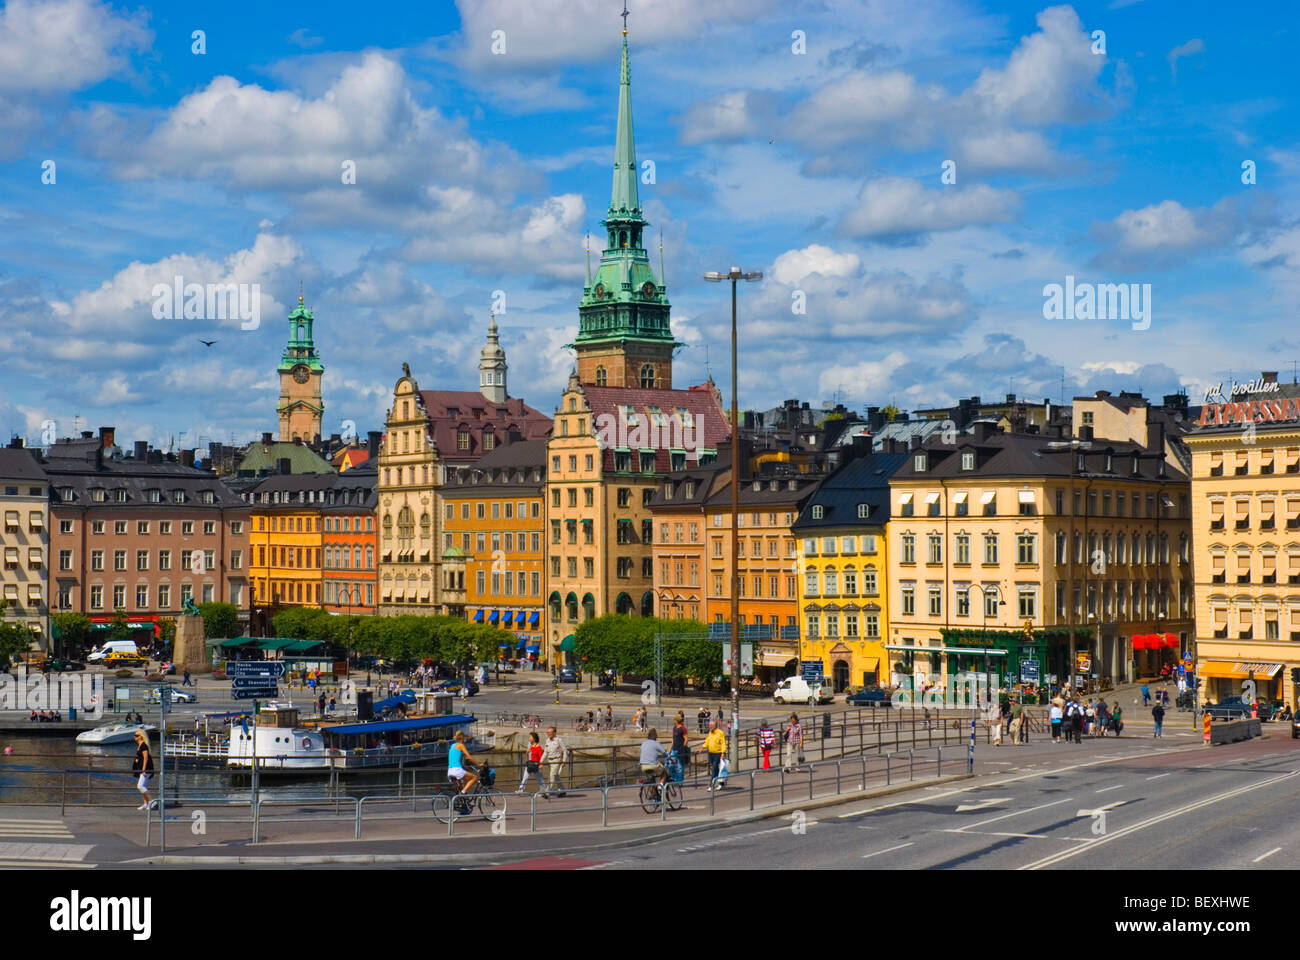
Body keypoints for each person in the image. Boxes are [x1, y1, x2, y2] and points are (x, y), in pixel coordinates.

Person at [447, 730, 479, 795]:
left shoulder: (452, 745)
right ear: (462, 738)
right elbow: (469, 757)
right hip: (457, 770)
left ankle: (463, 801)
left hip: (450, 771)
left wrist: (464, 767)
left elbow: (454, 759)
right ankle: (463, 793)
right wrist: (478, 764)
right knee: (474, 777)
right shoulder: (461, 745)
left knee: (461, 786)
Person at [699, 719, 727, 789]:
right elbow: (707, 741)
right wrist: (702, 748)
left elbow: (723, 743)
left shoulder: (720, 733)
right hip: (711, 753)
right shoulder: (710, 733)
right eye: (709, 725)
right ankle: (721, 783)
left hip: (718, 753)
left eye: (711, 725)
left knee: (714, 768)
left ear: (715, 726)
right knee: (716, 769)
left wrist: (723, 753)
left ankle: (711, 784)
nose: (710, 727)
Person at [132, 729, 155, 810]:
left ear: (141, 737)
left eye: (136, 735)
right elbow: (141, 757)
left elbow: (146, 758)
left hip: (146, 769)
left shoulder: (144, 746)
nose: (134, 737)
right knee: (143, 786)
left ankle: (152, 801)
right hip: (142, 768)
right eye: (134, 735)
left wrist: (144, 770)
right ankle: (146, 803)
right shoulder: (139, 745)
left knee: (140, 786)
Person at [542, 726, 567, 797]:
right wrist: (541, 761)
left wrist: (564, 761)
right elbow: (545, 752)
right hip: (549, 760)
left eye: (550, 732)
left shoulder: (559, 740)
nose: (548, 734)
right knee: (556, 776)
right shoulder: (547, 740)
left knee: (552, 776)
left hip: (556, 760)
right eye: (548, 732)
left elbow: (565, 750)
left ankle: (547, 792)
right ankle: (562, 790)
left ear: (554, 733)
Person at [671, 713, 690, 777]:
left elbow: (686, 739)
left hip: (680, 749)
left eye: (674, 720)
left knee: (680, 765)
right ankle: (674, 776)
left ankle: (680, 779)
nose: (673, 721)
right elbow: (673, 739)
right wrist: (670, 749)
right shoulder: (674, 728)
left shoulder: (683, 728)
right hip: (674, 749)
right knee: (671, 764)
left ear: (676, 721)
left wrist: (683, 747)